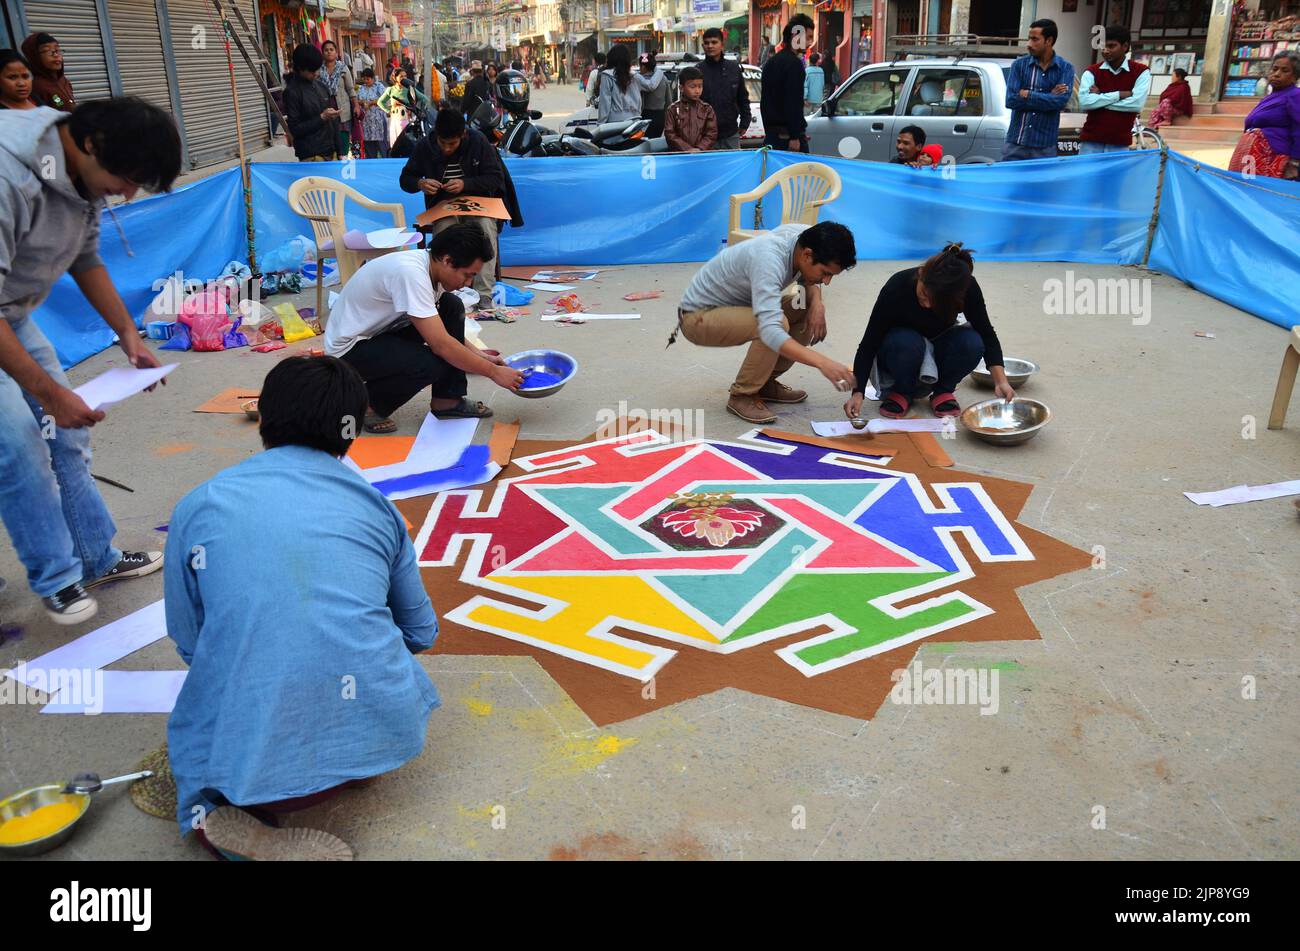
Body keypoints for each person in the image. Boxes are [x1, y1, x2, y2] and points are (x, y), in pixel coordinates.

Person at [164, 355, 439, 861]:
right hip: (381, 741)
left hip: (257, 772)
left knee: (205, 714)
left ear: (262, 420)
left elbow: (188, 638)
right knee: (368, 660)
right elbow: (421, 632)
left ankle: (223, 822)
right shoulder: (378, 508)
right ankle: (353, 751)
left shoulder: (199, 504)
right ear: (352, 433)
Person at [0, 98, 180, 623]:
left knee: (68, 433)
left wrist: (129, 333)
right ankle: (56, 578)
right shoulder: (10, 176)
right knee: (19, 447)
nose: (125, 194)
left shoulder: (83, 166)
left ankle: (94, 557)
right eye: (125, 179)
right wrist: (50, 394)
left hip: (11, 311)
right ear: (90, 143)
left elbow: (85, 256)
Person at [324, 225, 524, 432]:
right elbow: (442, 345)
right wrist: (493, 372)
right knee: (430, 363)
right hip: (349, 351)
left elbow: (441, 332)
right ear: (447, 260)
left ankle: (447, 400)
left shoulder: (431, 265)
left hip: (380, 333)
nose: (467, 283)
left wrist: (482, 357)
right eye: (467, 275)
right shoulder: (410, 273)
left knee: (450, 305)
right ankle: (368, 404)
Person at [674, 222, 861, 425]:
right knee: (777, 324)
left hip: (743, 305)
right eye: (825, 273)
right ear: (807, 255)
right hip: (699, 316)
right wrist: (823, 363)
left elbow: (808, 283)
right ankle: (742, 395)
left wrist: (817, 304)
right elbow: (771, 331)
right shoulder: (769, 260)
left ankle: (764, 384)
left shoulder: (805, 235)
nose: (826, 282)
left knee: (804, 305)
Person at [846, 244, 1014, 422]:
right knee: (906, 342)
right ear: (921, 275)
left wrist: (1001, 381)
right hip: (901, 351)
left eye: (935, 301)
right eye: (924, 293)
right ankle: (903, 391)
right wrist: (858, 393)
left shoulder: (967, 289)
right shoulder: (897, 286)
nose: (926, 304)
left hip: (940, 345)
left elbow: (986, 334)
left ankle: (943, 390)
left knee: (972, 342)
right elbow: (869, 343)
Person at [399, 107, 521, 300]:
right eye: (443, 143)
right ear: (436, 135)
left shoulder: (478, 141)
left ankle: (483, 296)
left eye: (452, 143)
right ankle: (444, 295)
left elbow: (496, 178)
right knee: (445, 231)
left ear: (463, 135)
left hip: (479, 204)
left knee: (485, 227)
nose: (447, 148)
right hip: (443, 206)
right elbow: (405, 179)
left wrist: (466, 183)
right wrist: (420, 183)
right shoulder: (425, 146)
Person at [1002, 19, 1074, 161]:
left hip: (1044, 147)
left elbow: (1060, 102)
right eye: (1029, 38)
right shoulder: (1019, 65)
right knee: (1010, 183)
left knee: (1042, 184)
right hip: (1016, 143)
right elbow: (1010, 100)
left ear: (1049, 41)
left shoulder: (1065, 68)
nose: (1029, 44)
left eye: (1035, 39)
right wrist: (1049, 96)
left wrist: (1028, 94)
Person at [1077, 25, 1150, 155]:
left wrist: (1100, 98)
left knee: (1115, 177)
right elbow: (1084, 102)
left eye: (1111, 46)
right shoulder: (1092, 72)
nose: (1105, 51)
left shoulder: (1141, 72)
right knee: (1087, 176)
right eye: (1103, 46)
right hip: (1090, 142)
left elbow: (1136, 105)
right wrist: (1119, 95)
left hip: (1119, 143)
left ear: (1125, 46)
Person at [1229, 50, 1300, 180]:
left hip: (1273, 160)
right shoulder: (1270, 97)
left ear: (1294, 77)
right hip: (1251, 160)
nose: (1277, 74)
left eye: (1285, 71)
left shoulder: (1295, 95)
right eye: (1275, 69)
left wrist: (1295, 163)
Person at [761, 13, 815, 152]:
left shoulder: (770, 62)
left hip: (772, 136)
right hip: (789, 139)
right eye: (808, 37)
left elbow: (765, 103)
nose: (810, 43)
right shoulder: (794, 65)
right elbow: (793, 102)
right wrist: (795, 136)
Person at [283, 44, 339, 162]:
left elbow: (332, 123)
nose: (316, 73)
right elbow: (295, 129)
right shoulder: (292, 92)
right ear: (300, 68)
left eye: (317, 69)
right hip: (311, 156)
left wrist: (340, 151)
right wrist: (321, 117)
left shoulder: (321, 86)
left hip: (330, 153)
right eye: (312, 70)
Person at [700, 27, 750, 150]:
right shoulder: (697, 71)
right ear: (703, 46)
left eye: (714, 42)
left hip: (730, 134)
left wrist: (745, 121)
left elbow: (742, 97)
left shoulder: (733, 68)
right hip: (704, 136)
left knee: (734, 168)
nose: (710, 46)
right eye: (706, 43)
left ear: (722, 45)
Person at [597, 44, 665, 124]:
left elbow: (604, 104)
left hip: (614, 123)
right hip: (634, 122)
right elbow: (650, 86)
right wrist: (659, 71)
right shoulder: (634, 76)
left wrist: (600, 125)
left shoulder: (607, 76)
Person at [319, 40, 358, 159]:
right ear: (322, 53)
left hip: (342, 110)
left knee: (343, 141)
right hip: (325, 109)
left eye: (331, 50)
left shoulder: (343, 68)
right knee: (328, 139)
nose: (329, 52)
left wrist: (356, 105)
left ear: (336, 53)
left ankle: (343, 160)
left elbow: (351, 89)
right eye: (326, 50)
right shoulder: (318, 70)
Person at [664, 66, 717, 152]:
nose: (697, 91)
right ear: (681, 88)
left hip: (702, 155)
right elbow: (670, 134)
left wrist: (700, 148)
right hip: (680, 156)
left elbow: (712, 133)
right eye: (693, 87)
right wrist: (687, 149)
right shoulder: (673, 109)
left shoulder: (707, 109)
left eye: (700, 86)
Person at [379, 68, 432, 150]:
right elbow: (380, 102)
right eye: (401, 76)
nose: (404, 78)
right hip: (394, 121)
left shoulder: (409, 89)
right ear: (395, 77)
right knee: (394, 144)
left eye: (405, 76)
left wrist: (416, 108)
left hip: (405, 120)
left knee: (404, 144)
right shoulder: (390, 90)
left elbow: (424, 99)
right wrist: (388, 111)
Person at [20, 32, 73, 112]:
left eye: (57, 50)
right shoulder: (36, 87)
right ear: (35, 57)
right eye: (47, 50)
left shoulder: (63, 80)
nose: (55, 55)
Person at [356, 68, 388, 157]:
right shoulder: (361, 88)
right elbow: (357, 100)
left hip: (378, 119)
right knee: (368, 142)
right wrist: (362, 102)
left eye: (368, 79)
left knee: (382, 142)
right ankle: (371, 160)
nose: (366, 81)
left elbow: (385, 99)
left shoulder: (379, 86)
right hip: (366, 120)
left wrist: (371, 103)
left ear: (373, 78)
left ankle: (385, 159)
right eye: (364, 79)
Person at [639, 51, 668, 138]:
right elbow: (669, 100)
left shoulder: (640, 80)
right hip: (660, 116)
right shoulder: (664, 78)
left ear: (643, 66)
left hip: (646, 115)